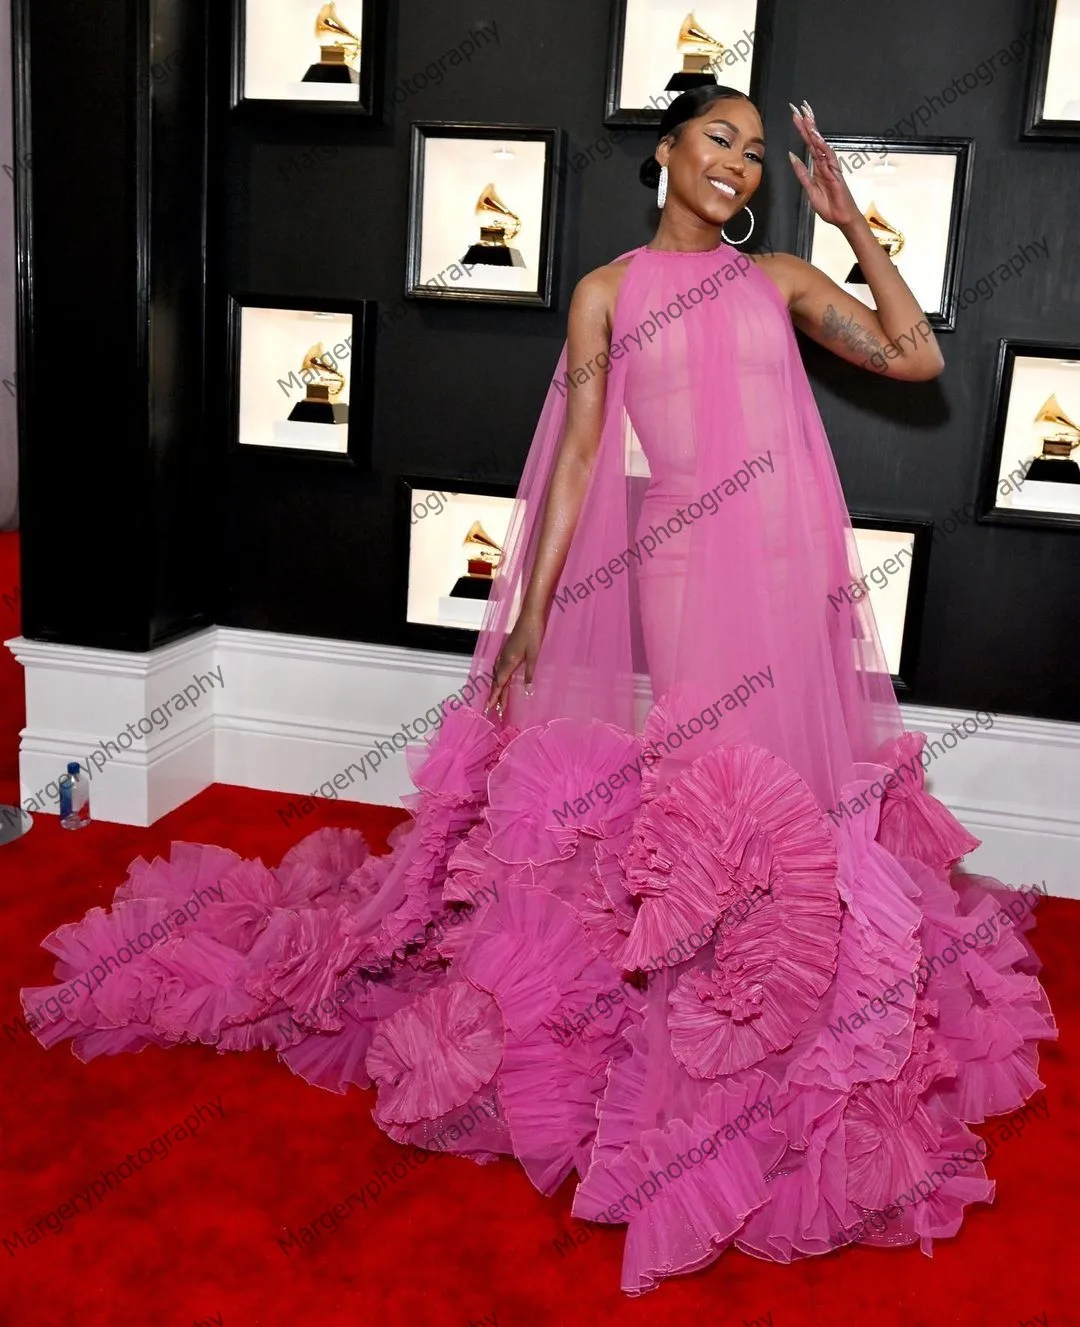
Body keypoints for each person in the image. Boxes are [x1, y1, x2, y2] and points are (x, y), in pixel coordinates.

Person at [22, 88, 1055, 1296]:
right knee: (712, 807)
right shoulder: (607, 294)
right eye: (716, 138)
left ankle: (805, 1009)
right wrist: (524, 616)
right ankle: (705, 1034)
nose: (739, 163)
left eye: (759, 152)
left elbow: (917, 355)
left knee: (800, 803)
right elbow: (574, 462)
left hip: (791, 576)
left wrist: (850, 221)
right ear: (663, 152)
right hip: (682, 569)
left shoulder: (777, 275)